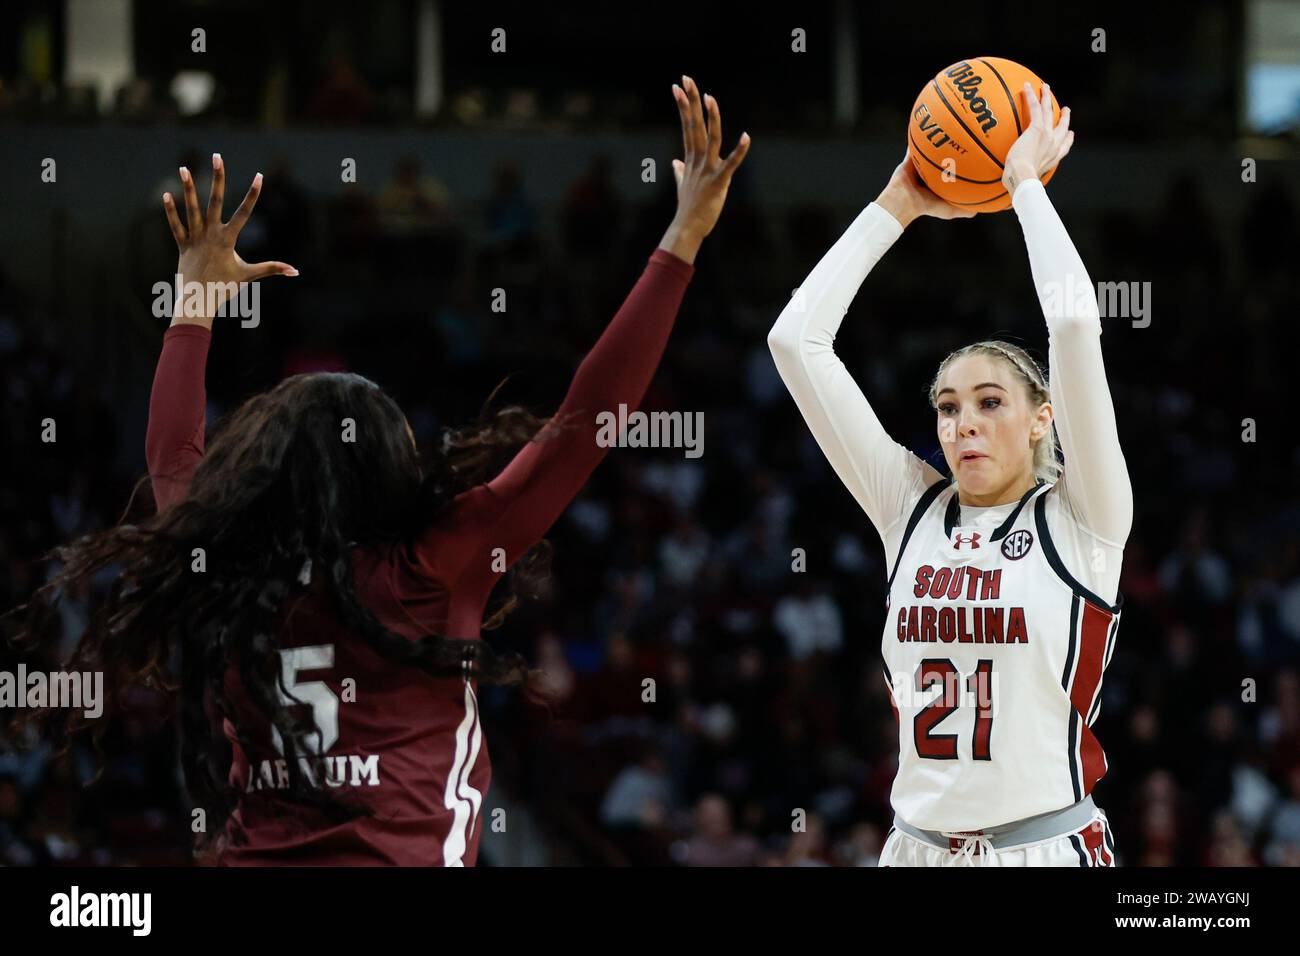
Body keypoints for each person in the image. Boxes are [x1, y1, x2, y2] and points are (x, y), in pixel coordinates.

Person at [4, 75, 749, 866]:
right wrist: (682, 241)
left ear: (263, 471)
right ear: (392, 467)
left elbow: (169, 459)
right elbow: (589, 417)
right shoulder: (433, 567)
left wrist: (192, 303)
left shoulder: (225, 569)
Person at [768, 83, 1131, 866]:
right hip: (916, 848)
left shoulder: (1085, 518)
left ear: (1041, 418)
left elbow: (1073, 321)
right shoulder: (910, 508)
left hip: (1041, 849)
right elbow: (795, 342)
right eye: (947, 406)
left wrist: (1023, 183)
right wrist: (896, 205)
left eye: (990, 402)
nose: (964, 421)